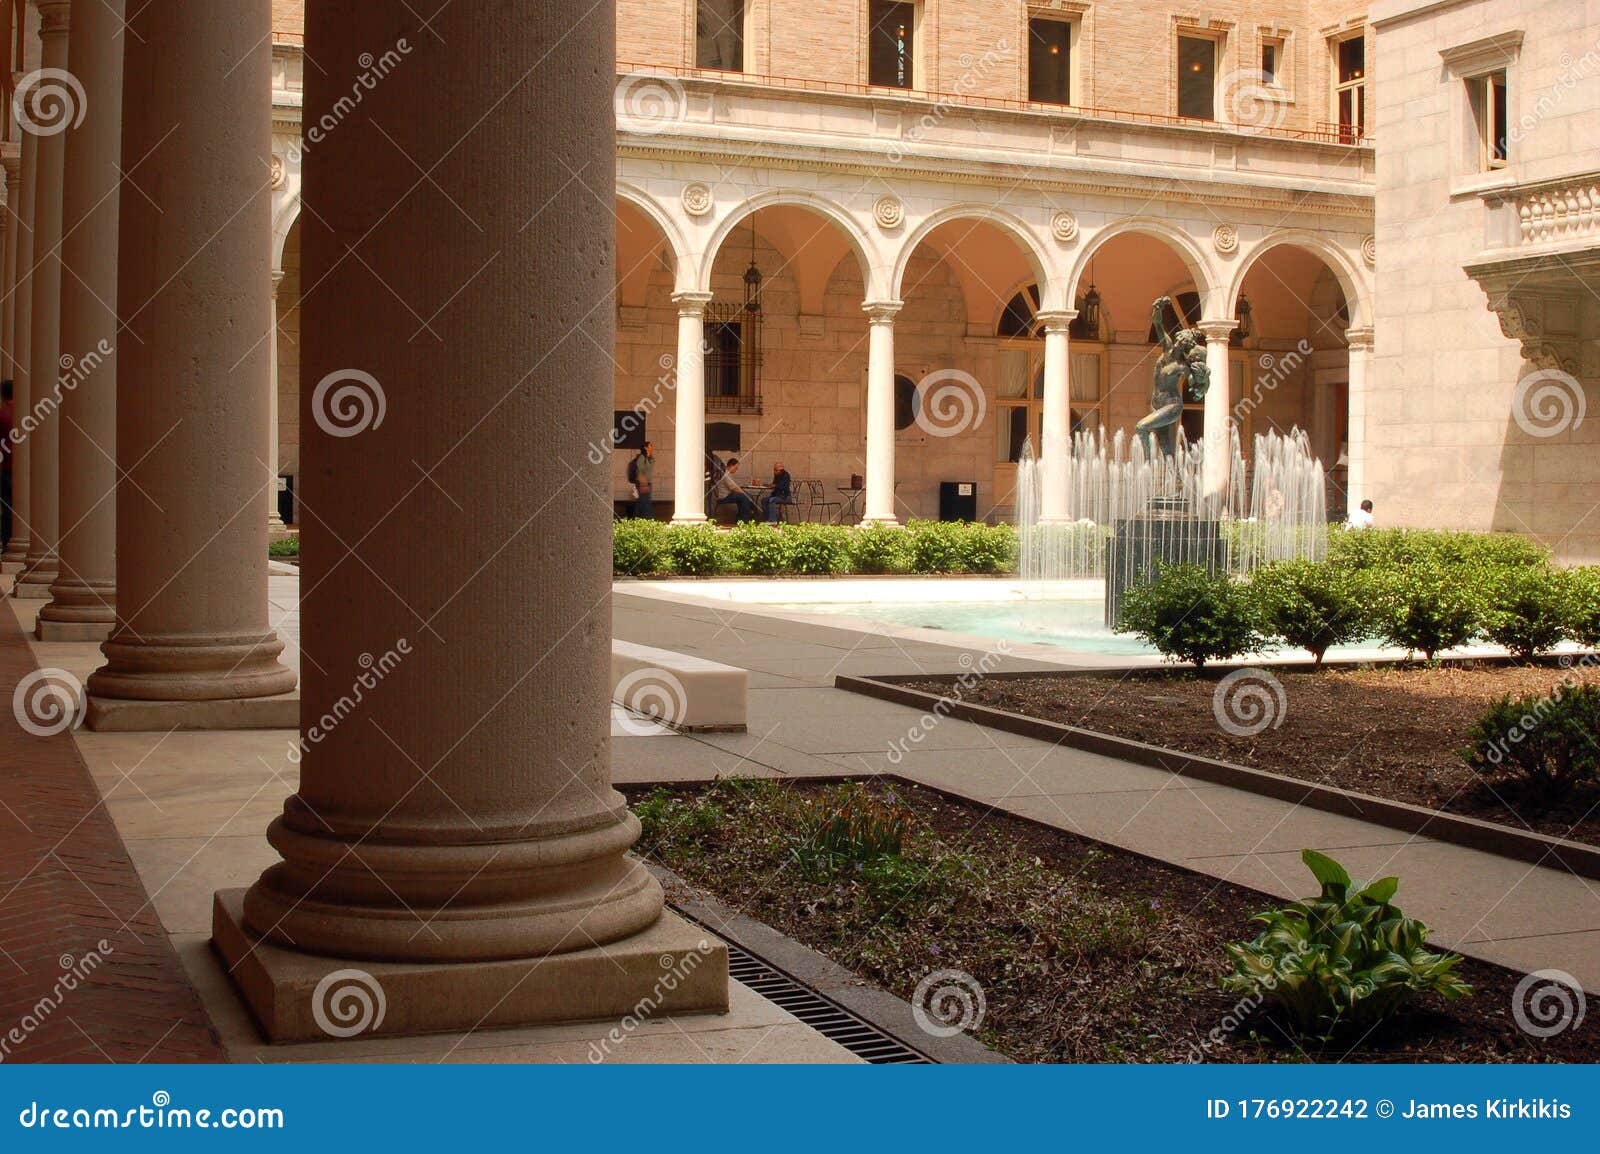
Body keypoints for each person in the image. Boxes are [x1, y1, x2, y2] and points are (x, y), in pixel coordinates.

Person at [715, 456, 758, 522]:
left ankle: (743, 517)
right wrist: (744, 493)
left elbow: (735, 486)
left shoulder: (726, 473)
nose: (736, 470)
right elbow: (734, 488)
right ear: (731, 466)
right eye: (736, 468)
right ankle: (744, 518)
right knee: (743, 497)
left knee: (745, 496)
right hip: (723, 497)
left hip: (728, 495)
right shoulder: (725, 474)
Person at [0, 380, 13, 552]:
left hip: (7, 466)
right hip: (25, 469)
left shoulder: (3, 415)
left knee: (8, 506)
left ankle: (8, 541)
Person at [626, 440, 655, 519]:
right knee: (645, 503)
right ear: (646, 448)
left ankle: (635, 519)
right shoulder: (642, 458)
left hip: (646, 483)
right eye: (650, 446)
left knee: (642, 502)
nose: (652, 447)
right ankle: (647, 519)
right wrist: (643, 485)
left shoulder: (648, 458)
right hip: (643, 484)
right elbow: (640, 472)